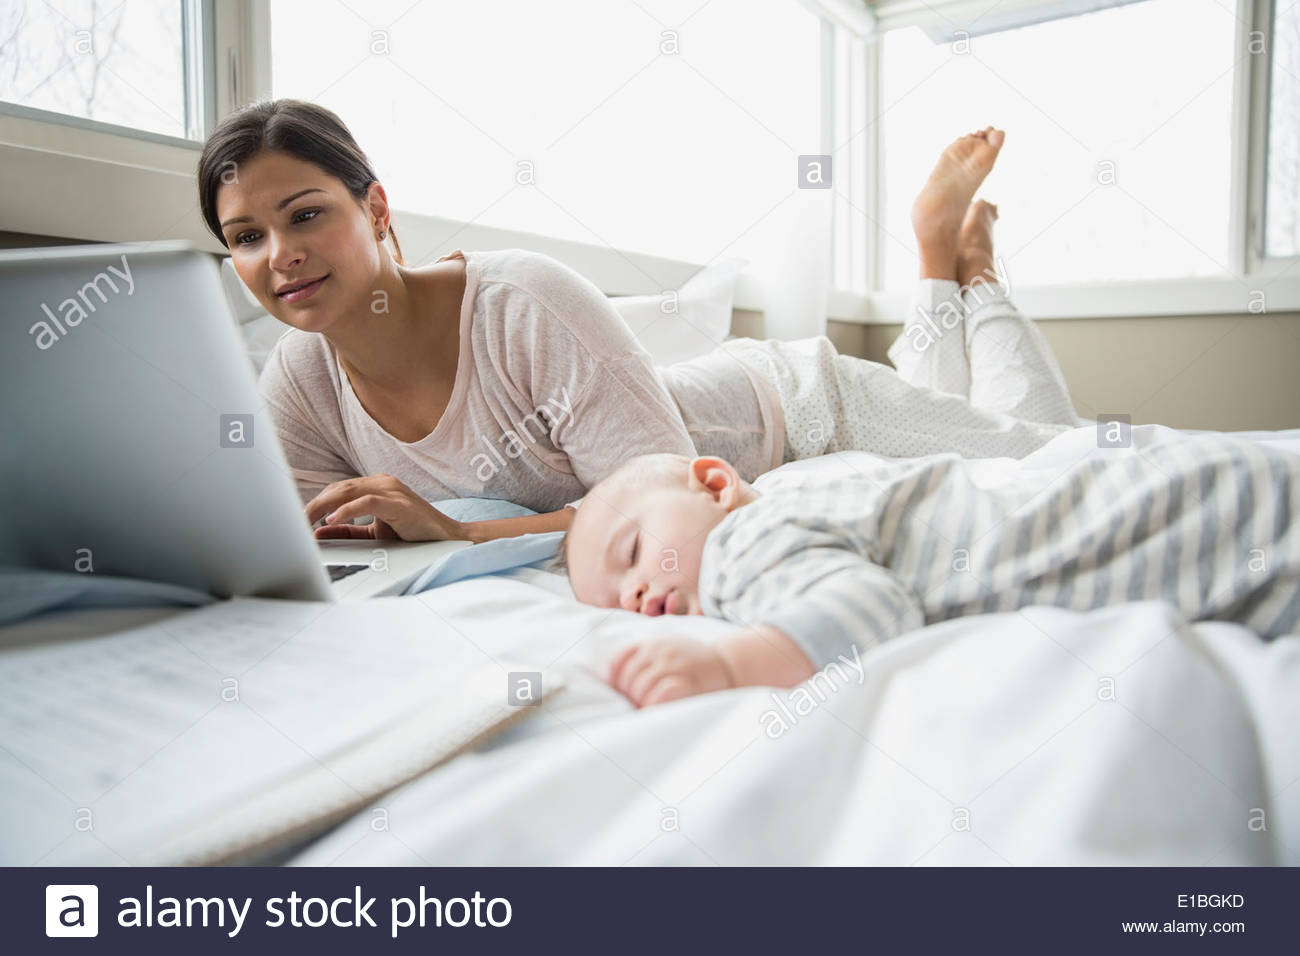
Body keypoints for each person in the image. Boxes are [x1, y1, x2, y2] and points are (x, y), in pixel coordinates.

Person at [198, 100, 1078, 544]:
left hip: (804, 413)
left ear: (376, 208)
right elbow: (309, 544)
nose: (281, 255)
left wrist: (461, 533)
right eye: (246, 237)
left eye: (306, 215)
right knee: (959, 403)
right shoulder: (298, 379)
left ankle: (969, 268)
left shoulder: (520, 302)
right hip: (767, 420)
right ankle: (944, 266)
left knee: (1053, 451)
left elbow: (666, 499)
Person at [561, 437, 1300, 709]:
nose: (633, 593)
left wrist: (727, 665)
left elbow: (869, 610)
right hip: (1205, 493)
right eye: (616, 602)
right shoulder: (808, 502)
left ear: (715, 485)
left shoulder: (742, 547)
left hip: (1184, 530)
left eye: (631, 552)